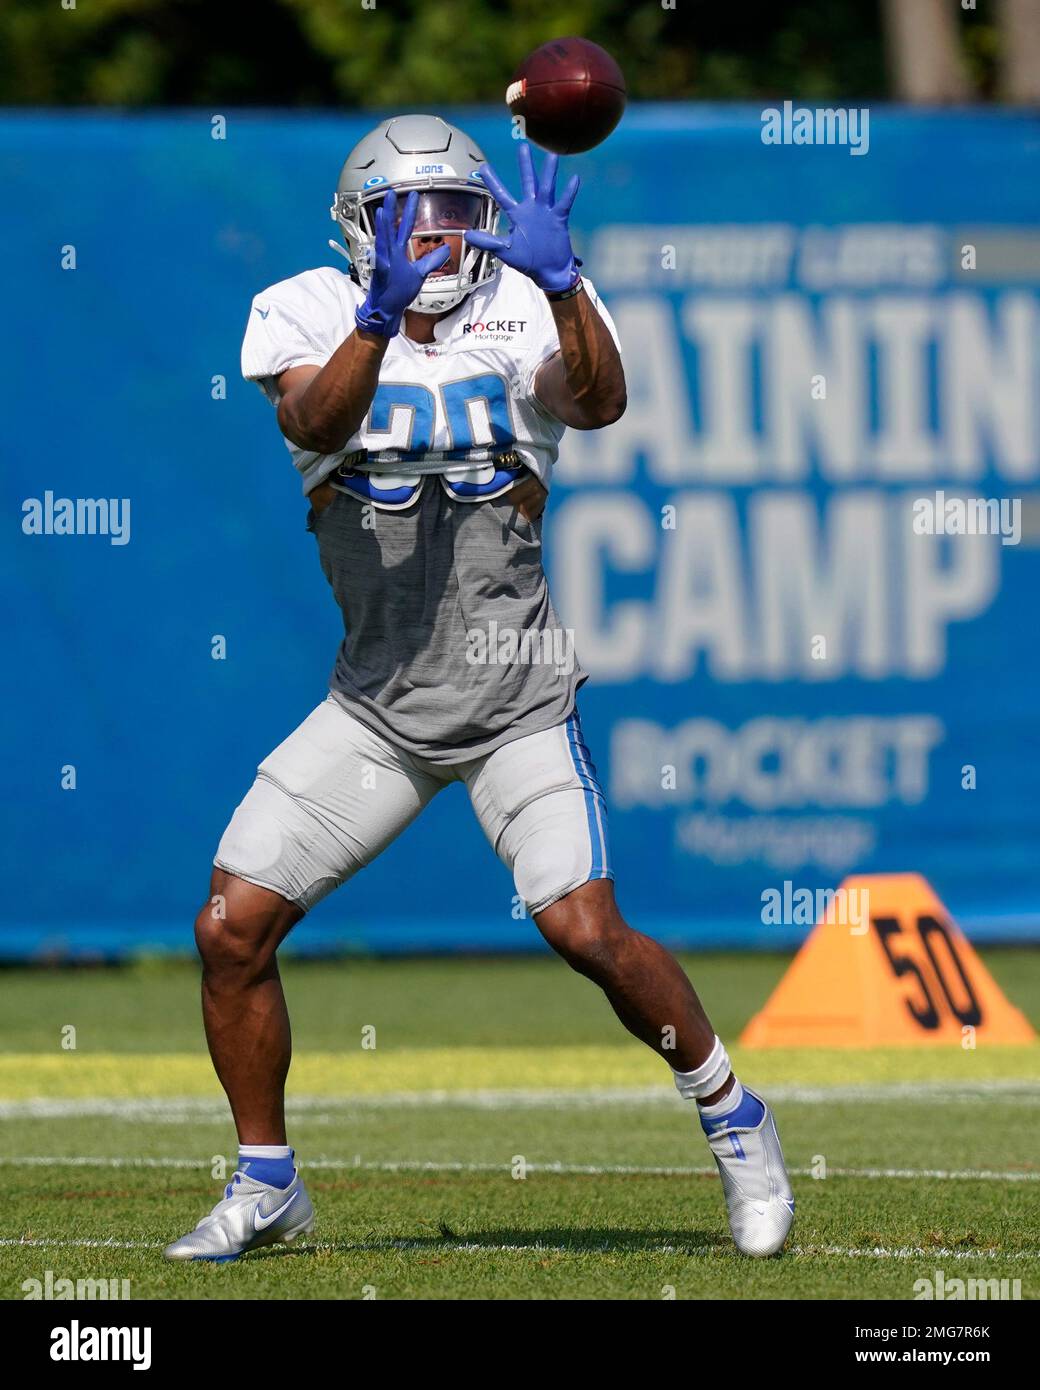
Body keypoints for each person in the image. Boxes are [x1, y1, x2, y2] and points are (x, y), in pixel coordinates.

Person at [163, 115, 793, 1263]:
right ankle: (266, 1181)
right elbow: (311, 418)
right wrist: (373, 321)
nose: (439, 236)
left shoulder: (523, 304)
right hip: (377, 708)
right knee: (230, 927)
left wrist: (562, 287)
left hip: (514, 701)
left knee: (583, 928)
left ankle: (732, 1114)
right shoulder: (306, 308)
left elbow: (594, 400)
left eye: (459, 211)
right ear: (359, 226)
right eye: (412, 214)